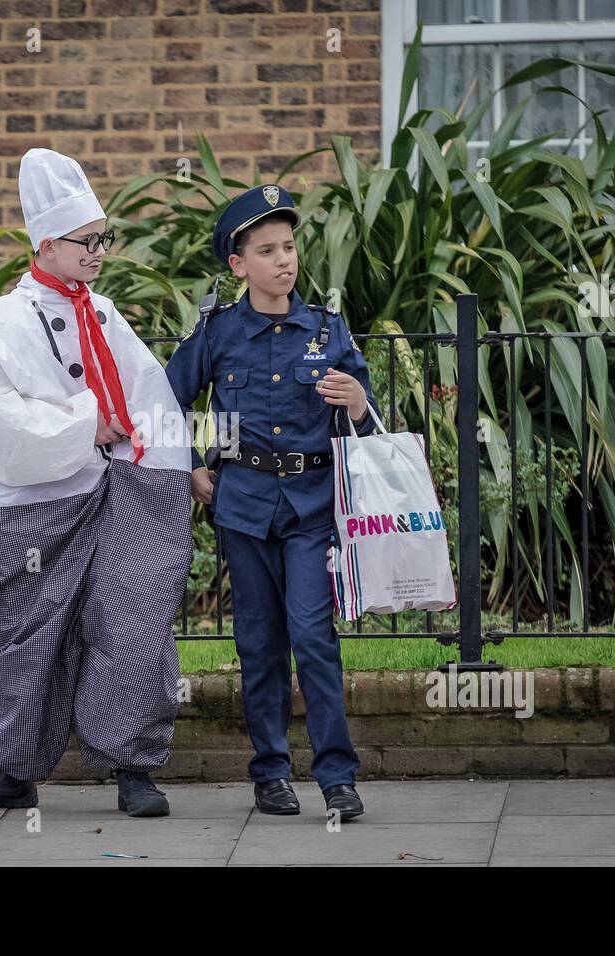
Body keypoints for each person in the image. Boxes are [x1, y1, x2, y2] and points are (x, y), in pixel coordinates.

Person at [0, 148, 193, 817]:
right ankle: (14, 770)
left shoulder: (104, 315)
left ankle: (134, 768)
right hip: (32, 506)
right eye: (90, 240)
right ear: (47, 243)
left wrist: (172, 465)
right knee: (26, 637)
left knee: (133, 619)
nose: (101, 251)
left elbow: (149, 396)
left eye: (104, 238)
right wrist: (88, 427)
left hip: (119, 496)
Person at [165, 183, 382, 821]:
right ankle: (270, 772)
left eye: (289, 247)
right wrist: (188, 469)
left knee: (314, 636)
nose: (284, 260)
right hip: (244, 504)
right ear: (238, 265)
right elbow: (163, 400)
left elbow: (368, 417)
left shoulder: (326, 328)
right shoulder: (218, 333)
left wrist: (359, 404)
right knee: (259, 645)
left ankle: (337, 775)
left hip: (313, 506)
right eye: (267, 250)